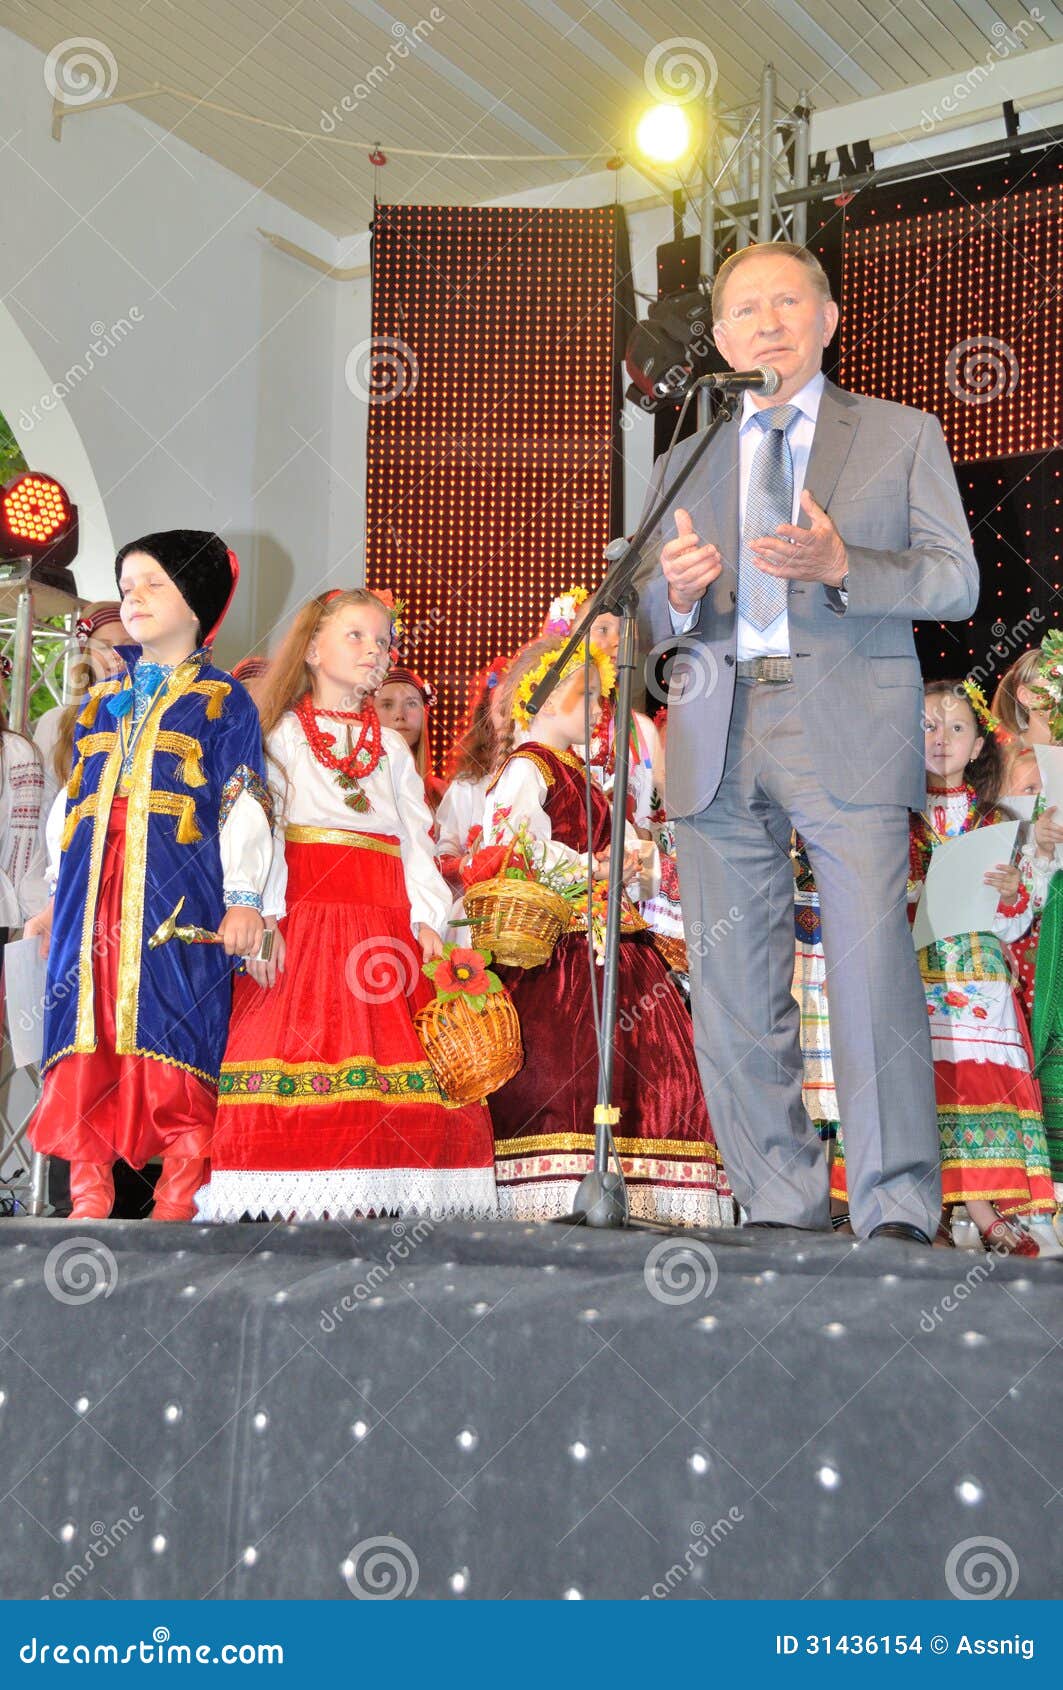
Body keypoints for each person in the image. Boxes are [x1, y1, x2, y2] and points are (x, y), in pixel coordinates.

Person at [638, 240, 980, 1245]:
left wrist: (844, 563)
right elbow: (641, 618)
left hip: (846, 724)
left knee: (871, 975)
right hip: (714, 726)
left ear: (827, 320)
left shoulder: (897, 434)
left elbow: (953, 580)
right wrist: (676, 592)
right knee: (735, 987)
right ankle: (777, 1205)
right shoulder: (682, 460)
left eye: (787, 301)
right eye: (744, 309)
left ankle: (896, 1211)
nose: (766, 322)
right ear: (722, 336)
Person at [195, 589, 497, 1223]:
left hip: (386, 925)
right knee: (302, 1051)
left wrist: (428, 917)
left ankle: (385, 1214)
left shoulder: (388, 748)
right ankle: (300, 1214)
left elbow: (415, 835)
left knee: (400, 1068)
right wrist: (264, 910)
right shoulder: (277, 732)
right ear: (311, 649)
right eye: (357, 636)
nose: (375, 650)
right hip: (308, 919)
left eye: (384, 640)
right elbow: (260, 823)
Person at [24, 531, 273, 1221]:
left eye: (152, 584)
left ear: (196, 602)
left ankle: (180, 1195)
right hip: (90, 887)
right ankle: (87, 1194)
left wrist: (244, 898)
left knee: (175, 1026)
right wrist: (52, 895)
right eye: (126, 584)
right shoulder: (104, 701)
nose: (133, 596)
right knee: (86, 1024)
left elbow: (243, 799)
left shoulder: (224, 701)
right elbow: (72, 802)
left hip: (176, 886)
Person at [482, 636, 733, 1226]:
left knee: (651, 1066)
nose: (599, 709)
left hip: (614, 943)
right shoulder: (528, 767)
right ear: (541, 700)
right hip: (561, 952)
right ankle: (566, 1186)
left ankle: (635, 1190)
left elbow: (624, 858)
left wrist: (640, 865)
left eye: (602, 697)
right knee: (564, 1067)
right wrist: (594, 865)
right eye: (586, 696)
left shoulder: (588, 778)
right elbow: (510, 847)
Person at [831, 680, 1053, 1255]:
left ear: (979, 746)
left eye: (957, 728)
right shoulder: (889, 813)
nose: (941, 739)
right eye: (927, 725)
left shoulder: (998, 819)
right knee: (911, 1086)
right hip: (906, 970)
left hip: (975, 976)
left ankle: (981, 1209)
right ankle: (911, 1207)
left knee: (966, 1086)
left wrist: (1009, 890)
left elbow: (1017, 916)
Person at [34, 603, 126, 816]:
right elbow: (41, 809)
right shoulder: (55, 723)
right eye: (104, 646)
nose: (117, 655)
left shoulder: (154, 719)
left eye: (128, 644)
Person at [434, 655, 510, 894]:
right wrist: (471, 864)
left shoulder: (550, 775)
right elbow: (444, 856)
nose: (514, 720)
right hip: (478, 908)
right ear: (488, 717)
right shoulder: (468, 785)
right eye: (504, 710)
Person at [375, 666, 446, 811]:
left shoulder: (444, 795)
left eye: (412, 704)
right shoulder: (357, 790)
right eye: (387, 705)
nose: (400, 715)